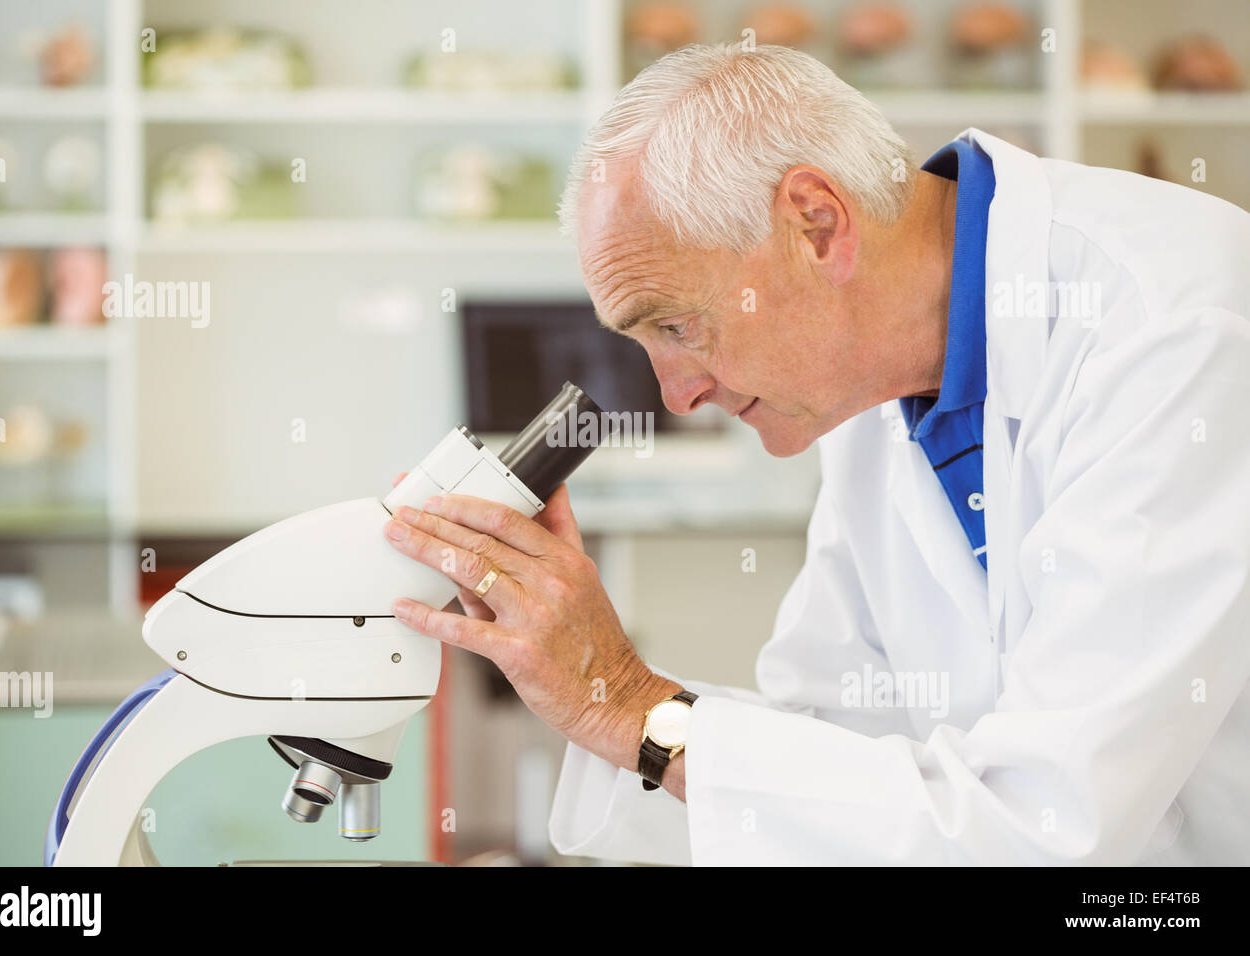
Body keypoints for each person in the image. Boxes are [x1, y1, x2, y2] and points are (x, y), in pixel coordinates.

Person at [383, 43, 1250, 864]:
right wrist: (569, 675)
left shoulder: (1173, 326)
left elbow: (1048, 826)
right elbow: (836, 749)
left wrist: (625, 701)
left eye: (678, 327)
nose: (677, 394)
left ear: (816, 224)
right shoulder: (874, 385)